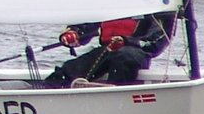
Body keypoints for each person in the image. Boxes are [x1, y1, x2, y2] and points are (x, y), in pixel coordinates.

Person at [42, 12, 175, 87]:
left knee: (124, 57)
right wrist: (75, 32)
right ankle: (44, 95)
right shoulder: (109, 3)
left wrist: (127, 41)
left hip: (134, 52)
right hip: (107, 50)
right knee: (68, 70)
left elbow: (158, 41)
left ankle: (118, 99)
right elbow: (88, 24)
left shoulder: (154, 3)